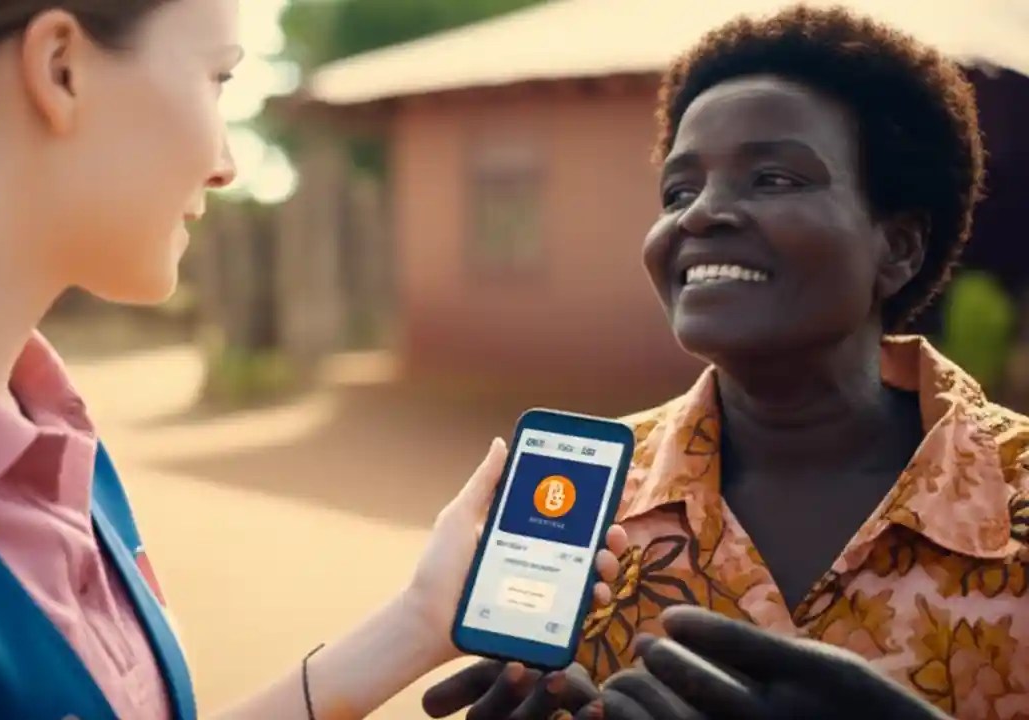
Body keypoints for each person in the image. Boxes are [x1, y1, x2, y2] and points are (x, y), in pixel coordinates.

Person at [0, 2, 629, 719]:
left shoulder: (51, 439)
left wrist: (413, 625)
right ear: (61, 69)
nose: (227, 161)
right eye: (217, 79)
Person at [424, 6, 1029, 720]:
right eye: (678, 190)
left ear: (897, 247)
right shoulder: (589, 510)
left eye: (773, 178)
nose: (700, 214)